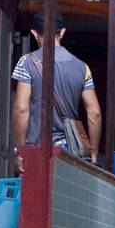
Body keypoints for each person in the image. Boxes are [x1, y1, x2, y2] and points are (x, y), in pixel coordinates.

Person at [12, 12, 102, 167]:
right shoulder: (82, 67)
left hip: (37, 149)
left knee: (37, 191)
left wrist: (21, 150)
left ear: (34, 33)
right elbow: (95, 113)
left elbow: (21, 108)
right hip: (70, 153)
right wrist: (93, 152)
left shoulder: (26, 63)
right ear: (62, 32)